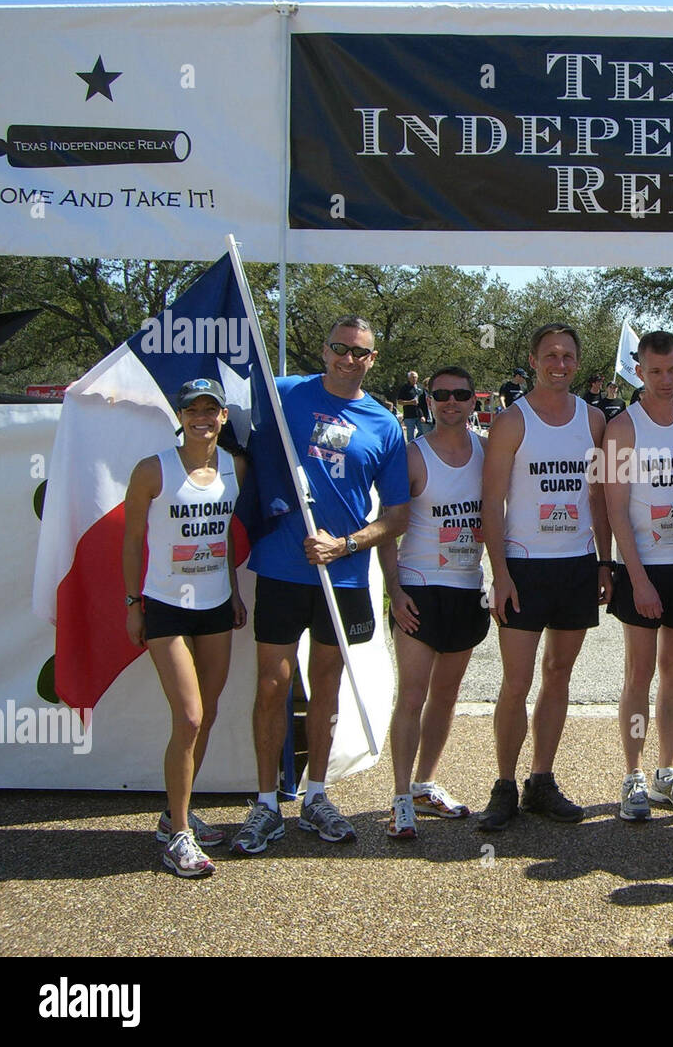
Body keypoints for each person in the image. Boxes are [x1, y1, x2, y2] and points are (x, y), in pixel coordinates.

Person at [232, 316, 409, 856]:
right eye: (340, 349)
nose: (347, 360)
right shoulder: (281, 394)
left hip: (345, 575)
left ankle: (316, 796)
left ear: (372, 359)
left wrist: (347, 544)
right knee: (272, 685)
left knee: (326, 687)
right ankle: (266, 804)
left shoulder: (384, 424)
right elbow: (224, 432)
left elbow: (397, 514)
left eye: (360, 353)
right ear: (327, 350)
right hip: (283, 566)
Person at [477, 322, 612, 831]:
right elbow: (491, 503)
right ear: (534, 360)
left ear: (578, 363)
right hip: (524, 565)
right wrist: (501, 573)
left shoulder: (594, 419)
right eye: (550, 355)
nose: (560, 365)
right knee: (516, 681)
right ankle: (504, 785)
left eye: (568, 356)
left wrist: (604, 560)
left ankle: (542, 779)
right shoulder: (512, 421)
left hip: (576, 563)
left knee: (559, 675)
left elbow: (599, 496)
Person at [123, 378, 247, 877]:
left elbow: (225, 538)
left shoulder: (235, 468)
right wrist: (134, 603)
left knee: (209, 712)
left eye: (211, 409)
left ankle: (174, 813)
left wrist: (235, 590)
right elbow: (132, 540)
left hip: (216, 604)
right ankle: (179, 835)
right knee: (189, 717)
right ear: (180, 415)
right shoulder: (153, 469)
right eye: (192, 409)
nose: (202, 417)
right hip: (165, 606)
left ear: (222, 417)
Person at [603, 330, 673, 822]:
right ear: (640, 372)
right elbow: (614, 508)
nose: (665, 380)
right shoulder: (621, 428)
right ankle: (632, 774)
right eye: (655, 372)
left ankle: (666, 772)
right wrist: (638, 578)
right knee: (639, 671)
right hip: (641, 566)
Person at [379, 366, 489, 838]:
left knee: (445, 696)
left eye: (460, 394)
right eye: (441, 394)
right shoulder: (412, 455)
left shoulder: (488, 451)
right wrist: (395, 590)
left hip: (466, 588)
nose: (450, 402)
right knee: (412, 695)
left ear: (472, 401)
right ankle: (401, 798)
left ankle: (425, 784)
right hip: (419, 590)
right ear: (429, 398)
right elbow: (387, 527)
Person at [398, 370, 424, 442]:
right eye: (413, 377)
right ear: (409, 378)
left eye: (416, 377)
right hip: (409, 415)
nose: (414, 379)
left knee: (422, 432)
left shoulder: (420, 387)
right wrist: (410, 402)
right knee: (410, 435)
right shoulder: (404, 388)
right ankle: (410, 449)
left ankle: (417, 444)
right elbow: (399, 401)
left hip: (419, 414)